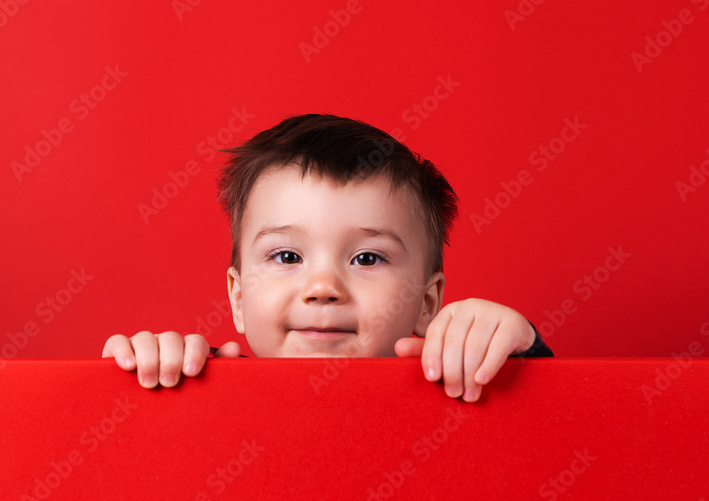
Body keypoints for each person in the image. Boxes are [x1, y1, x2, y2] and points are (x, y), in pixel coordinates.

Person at [103, 113, 553, 402]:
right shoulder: (199, 381)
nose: (323, 288)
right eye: (286, 255)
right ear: (238, 298)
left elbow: (558, 433)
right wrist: (148, 370)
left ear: (428, 303)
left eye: (367, 259)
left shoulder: (461, 381)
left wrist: (513, 349)